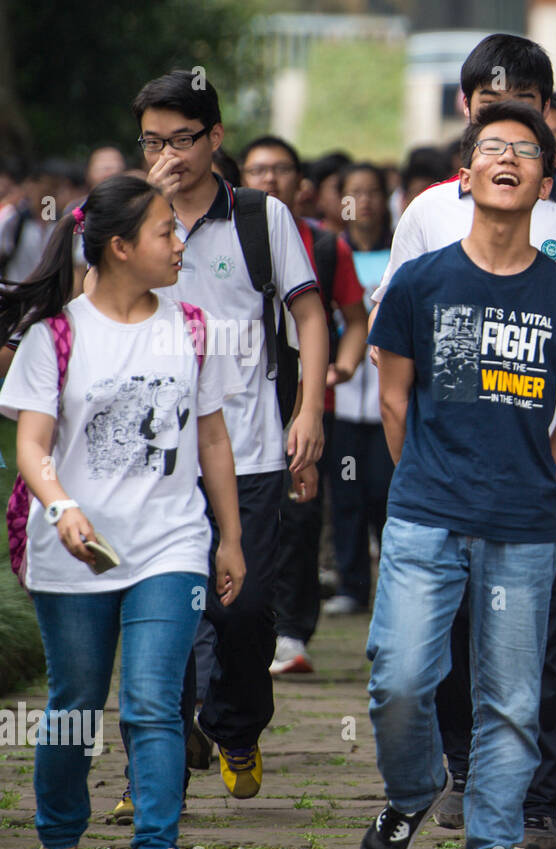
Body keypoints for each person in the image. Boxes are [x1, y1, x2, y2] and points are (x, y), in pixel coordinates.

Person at [369, 33, 556, 849]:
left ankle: (521, 818)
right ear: (465, 128)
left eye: (528, 134)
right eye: (492, 128)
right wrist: (422, 468)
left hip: (535, 487)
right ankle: (434, 776)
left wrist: (536, 472)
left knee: (530, 666)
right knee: (415, 666)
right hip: (434, 487)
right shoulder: (426, 224)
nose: (509, 147)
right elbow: (393, 368)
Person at [0, 175, 244, 849]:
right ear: (120, 246)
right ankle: (59, 842)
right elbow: (32, 447)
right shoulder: (54, 337)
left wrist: (229, 536)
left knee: (151, 704)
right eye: (167, 231)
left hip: (170, 545)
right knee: (74, 705)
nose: (180, 243)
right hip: (73, 552)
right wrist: (65, 510)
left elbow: (210, 437)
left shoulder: (193, 327)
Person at [133, 70, 329, 802]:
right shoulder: (130, 215)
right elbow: (94, 303)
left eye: (181, 139)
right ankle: (157, 768)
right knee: (160, 613)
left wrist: (308, 412)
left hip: (247, 446)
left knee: (241, 610)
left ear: (215, 138)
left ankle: (236, 725)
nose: (168, 154)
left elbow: (309, 315)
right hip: (153, 457)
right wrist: (142, 213)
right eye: (153, 141)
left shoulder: (260, 217)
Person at [238, 135, 368, 671]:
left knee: (300, 514)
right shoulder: (220, 240)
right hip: (238, 398)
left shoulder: (324, 244)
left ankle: (292, 631)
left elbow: (354, 318)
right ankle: (243, 622)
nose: (269, 179)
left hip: (309, 401)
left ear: (303, 183)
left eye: (281, 169)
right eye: (258, 170)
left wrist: (343, 366)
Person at [328, 161, 396, 617]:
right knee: (346, 494)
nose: (364, 201)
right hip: (343, 401)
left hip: (387, 401)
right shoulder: (333, 254)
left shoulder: (400, 252)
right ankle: (352, 585)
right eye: (354, 192)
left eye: (372, 191)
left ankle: (391, 584)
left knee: (383, 493)